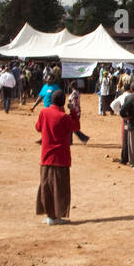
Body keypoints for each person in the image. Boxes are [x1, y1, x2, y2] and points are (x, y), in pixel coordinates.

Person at [35, 88, 81, 224]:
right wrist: (73, 111)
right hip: (61, 157)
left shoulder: (44, 112)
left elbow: (38, 127)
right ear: (63, 103)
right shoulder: (63, 117)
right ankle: (57, 216)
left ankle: (50, 216)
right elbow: (76, 127)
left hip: (46, 156)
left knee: (46, 186)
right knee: (59, 187)